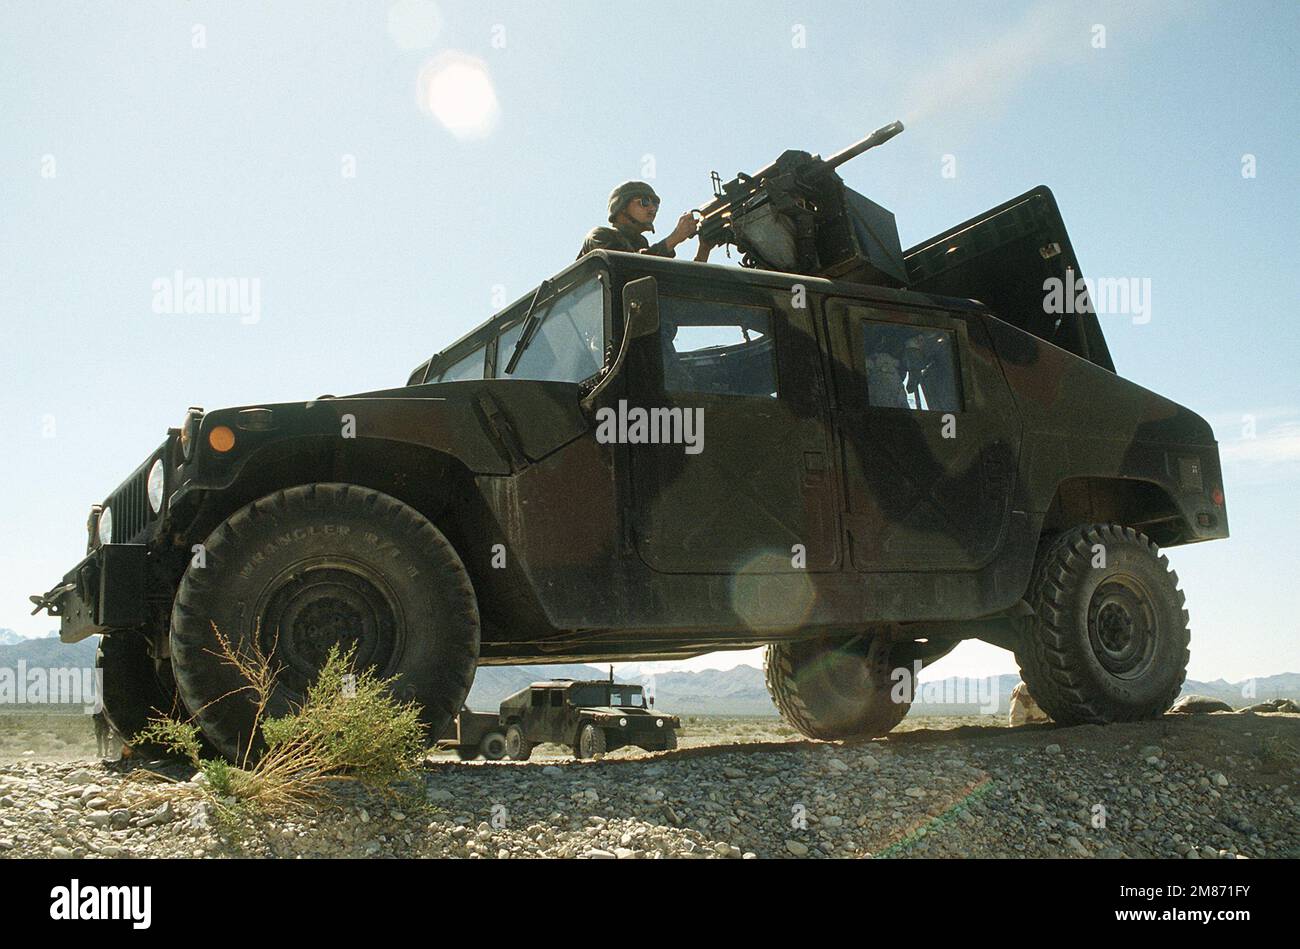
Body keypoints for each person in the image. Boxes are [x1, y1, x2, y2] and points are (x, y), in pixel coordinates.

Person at [578, 181, 714, 261]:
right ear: (622, 207)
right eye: (645, 202)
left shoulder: (640, 243)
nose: (652, 209)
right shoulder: (599, 236)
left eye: (656, 204)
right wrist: (674, 238)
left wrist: (704, 249)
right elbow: (625, 269)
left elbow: (676, 288)